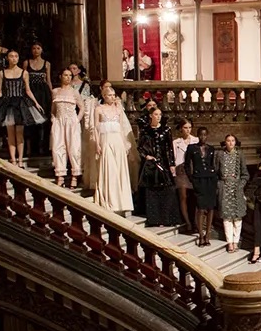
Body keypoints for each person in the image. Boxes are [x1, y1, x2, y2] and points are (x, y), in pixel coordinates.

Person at [0, 49, 46, 166]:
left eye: (16, 56)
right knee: (10, 134)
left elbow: (28, 90)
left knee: (19, 133)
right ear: (7, 58)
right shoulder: (2, 73)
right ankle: (13, 159)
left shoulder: (24, 73)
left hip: (20, 104)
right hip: (7, 104)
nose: (14, 58)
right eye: (11, 56)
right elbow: (0, 91)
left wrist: (36, 103)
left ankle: (20, 160)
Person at [90, 86, 135, 214]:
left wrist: (125, 145)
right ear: (104, 96)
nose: (112, 97)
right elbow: (95, 128)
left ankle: (122, 202)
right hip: (105, 141)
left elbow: (121, 128)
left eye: (114, 95)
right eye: (109, 95)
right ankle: (110, 200)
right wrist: (97, 144)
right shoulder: (98, 109)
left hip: (117, 141)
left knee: (120, 170)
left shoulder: (118, 110)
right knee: (109, 169)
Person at [137, 107, 180, 226]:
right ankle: (154, 219)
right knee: (152, 191)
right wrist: (146, 156)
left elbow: (169, 148)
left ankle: (167, 218)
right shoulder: (145, 130)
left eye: (160, 114)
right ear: (151, 115)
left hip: (164, 163)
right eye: (156, 114)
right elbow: (140, 147)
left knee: (167, 190)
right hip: (151, 165)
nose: (158, 117)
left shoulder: (166, 130)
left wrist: (172, 164)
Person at [49, 70, 84, 188]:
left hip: (71, 122)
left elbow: (82, 108)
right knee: (58, 148)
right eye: (65, 75)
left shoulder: (74, 92)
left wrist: (77, 120)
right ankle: (60, 176)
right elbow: (53, 108)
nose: (68, 77)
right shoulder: (55, 91)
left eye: (70, 75)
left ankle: (75, 176)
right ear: (61, 76)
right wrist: (53, 119)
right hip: (59, 122)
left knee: (73, 148)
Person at [186, 127, 218, 246]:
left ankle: (207, 234)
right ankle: (200, 234)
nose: (203, 137)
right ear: (198, 136)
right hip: (199, 180)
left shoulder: (211, 148)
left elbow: (213, 164)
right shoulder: (192, 148)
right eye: (201, 135)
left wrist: (214, 177)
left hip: (210, 180)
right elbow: (187, 165)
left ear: (207, 135)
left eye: (205, 135)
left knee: (210, 208)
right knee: (200, 208)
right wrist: (192, 179)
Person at [216, 134, 248, 253]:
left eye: (233, 140)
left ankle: (236, 241)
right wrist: (219, 185)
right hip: (224, 188)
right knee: (227, 217)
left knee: (237, 217)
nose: (230, 143)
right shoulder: (219, 154)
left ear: (235, 142)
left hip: (236, 188)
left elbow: (245, 174)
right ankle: (229, 242)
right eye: (228, 141)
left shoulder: (240, 154)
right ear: (225, 142)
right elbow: (216, 171)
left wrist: (240, 185)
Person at [22, 42, 53, 156]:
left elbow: (48, 80)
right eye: (34, 48)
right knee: (31, 119)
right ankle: (31, 148)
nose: (36, 50)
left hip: (43, 93)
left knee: (44, 119)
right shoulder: (26, 63)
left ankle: (44, 147)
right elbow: (23, 79)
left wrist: (52, 94)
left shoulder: (47, 64)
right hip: (31, 92)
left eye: (38, 48)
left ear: (42, 50)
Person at [172, 119, 198, 234]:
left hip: (192, 170)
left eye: (189, 127)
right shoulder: (176, 142)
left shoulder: (196, 140)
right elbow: (174, 158)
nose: (188, 130)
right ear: (181, 129)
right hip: (181, 170)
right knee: (183, 196)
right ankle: (187, 223)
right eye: (185, 128)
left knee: (194, 197)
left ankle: (195, 222)